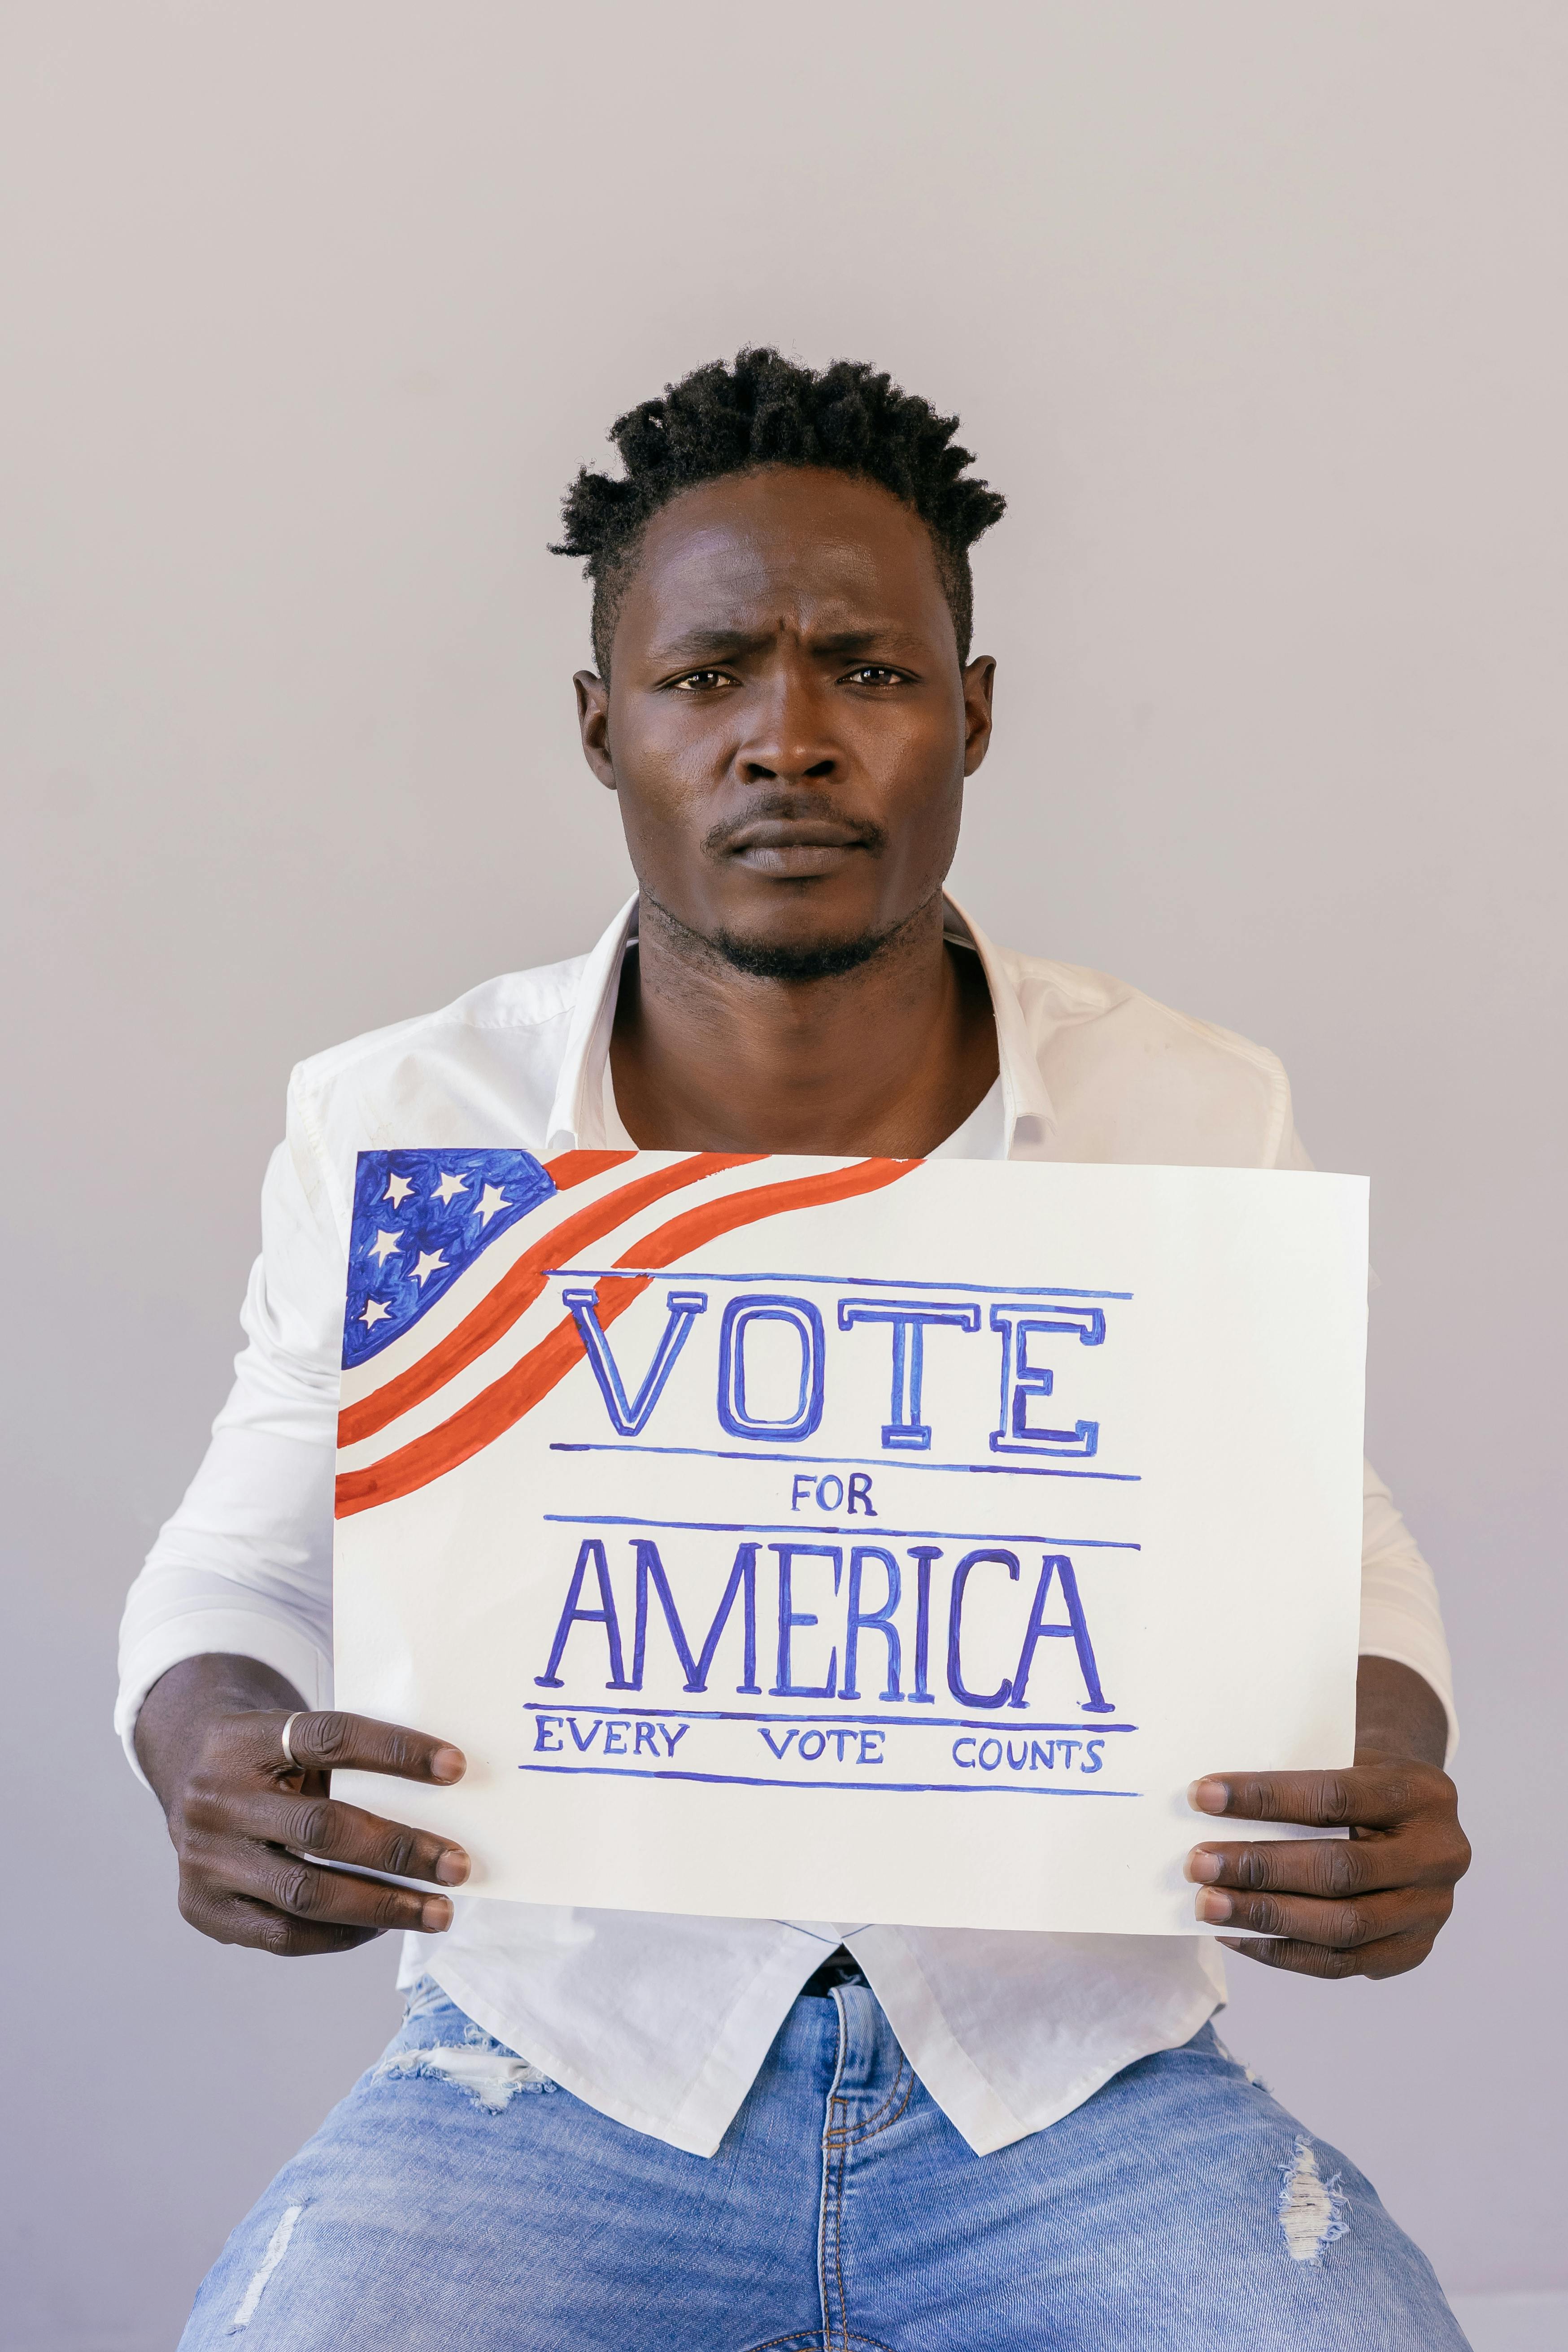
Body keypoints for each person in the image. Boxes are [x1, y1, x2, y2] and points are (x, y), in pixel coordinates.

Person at [121, 349, 1472, 2349]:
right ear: (603, 730)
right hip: (558, 2067)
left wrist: (1383, 1770)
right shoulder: (413, 1122)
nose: (789, 739)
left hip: (1063, 2077)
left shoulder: (1183, 1108)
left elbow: (1326, 1549)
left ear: (974, 716)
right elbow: (239, 1563)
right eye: (705, 677)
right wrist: (210, 1751)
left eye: (871, 669)